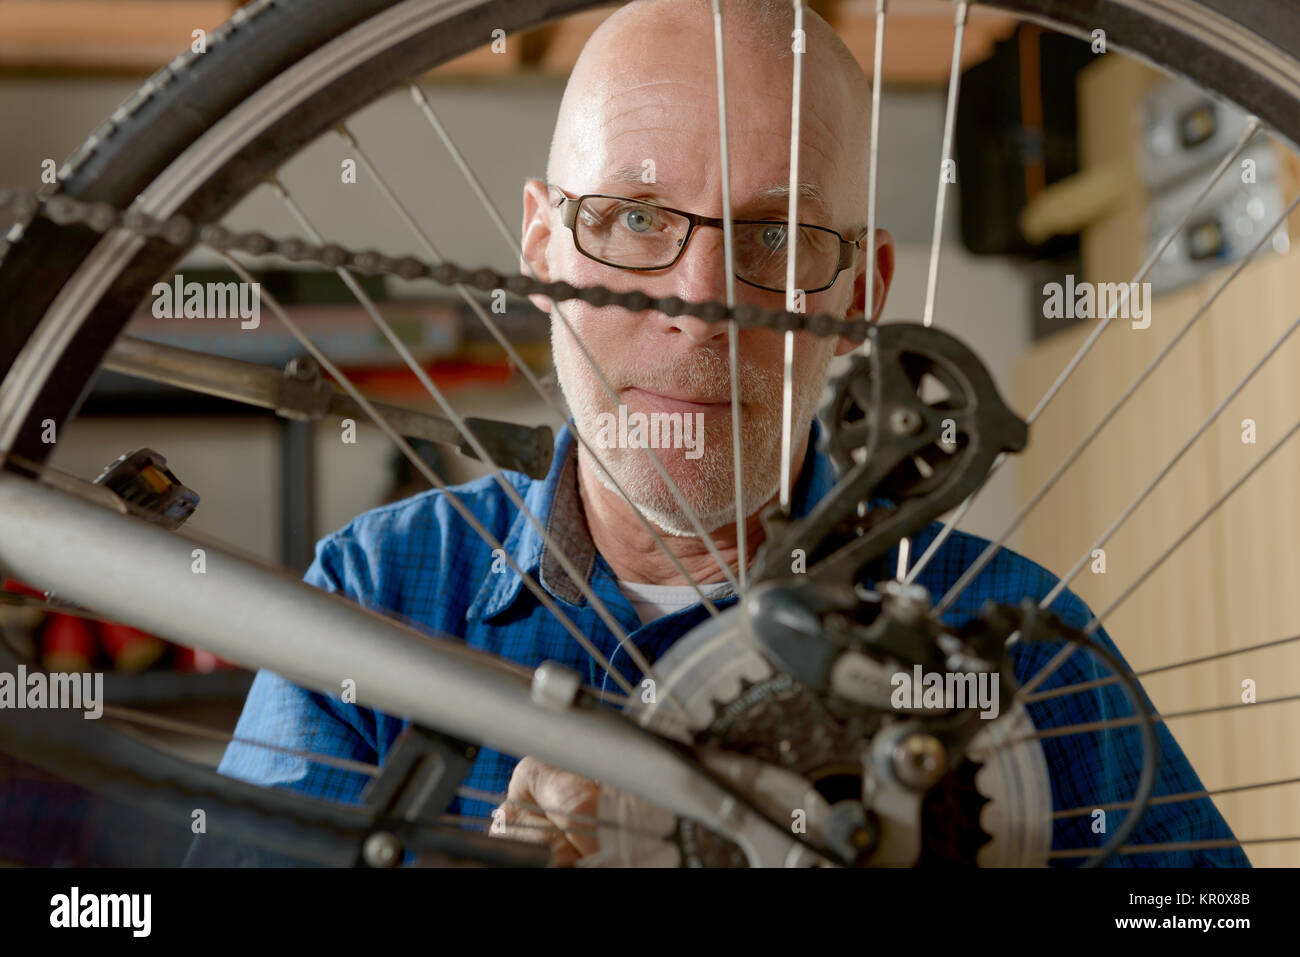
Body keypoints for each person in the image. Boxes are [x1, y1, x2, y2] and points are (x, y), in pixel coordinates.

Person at [204, 0, 1247, 867]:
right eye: (635, 218)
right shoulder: (372, 607)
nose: (700, 303)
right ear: (537, 250)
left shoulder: (1015, 637)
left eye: (778, 235)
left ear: (858, 295)